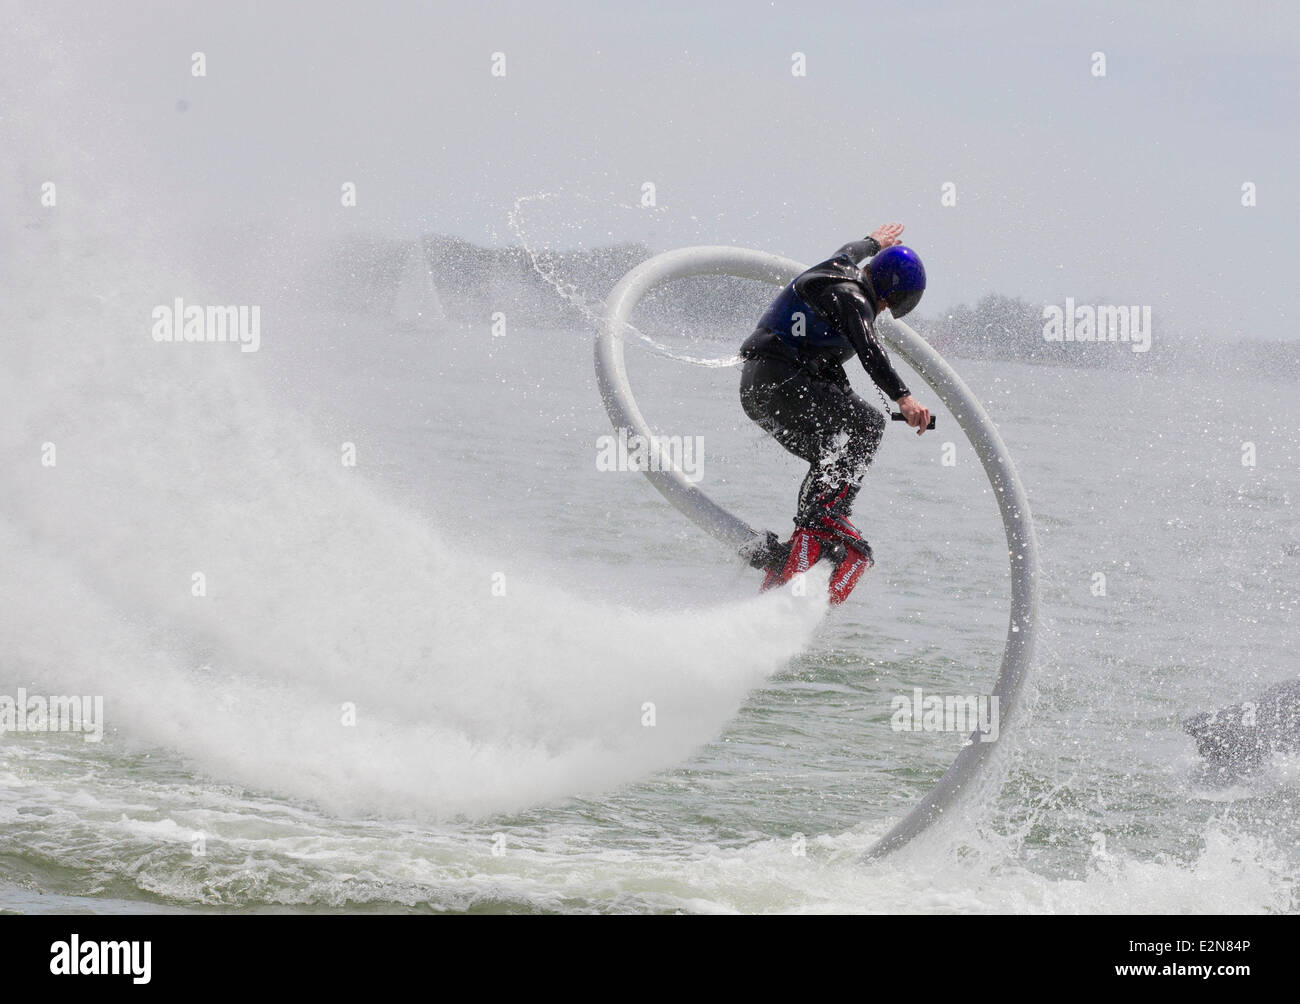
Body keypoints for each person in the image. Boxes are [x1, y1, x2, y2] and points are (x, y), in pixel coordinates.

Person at [738, 223, 931, 574]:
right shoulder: (853, 299)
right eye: (891, 302)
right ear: (892, 293)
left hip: (757, 388)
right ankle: (828, 517)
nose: (885, 309)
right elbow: (870, 350)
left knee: (828, 455)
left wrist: (874, 242)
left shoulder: (842, 268)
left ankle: (799, 542)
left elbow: (850, 249)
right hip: (783, 380)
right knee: (870, 423)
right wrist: (903, 398)